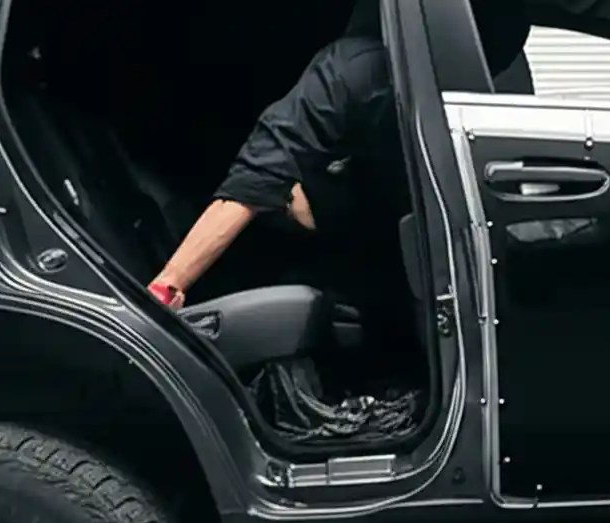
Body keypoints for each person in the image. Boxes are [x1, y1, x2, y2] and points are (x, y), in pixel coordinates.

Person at [147, 0, 530, 309]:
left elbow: (256, 179)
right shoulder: (503, 91)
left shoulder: (357, 66)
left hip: (392, 263)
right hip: (460, 275)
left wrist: (167, 285)